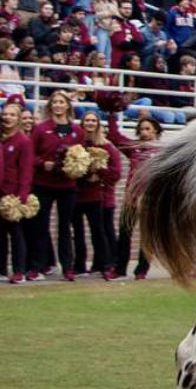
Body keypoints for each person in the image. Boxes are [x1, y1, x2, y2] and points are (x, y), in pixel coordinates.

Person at [30, 89, 84, 280]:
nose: (58, 105)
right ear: (50, 105)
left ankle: (68, 267)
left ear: (68, 105)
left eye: (62, 102)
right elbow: (31, 154)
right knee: (40, 226)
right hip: (43, 184)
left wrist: (75, 167)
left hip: (67, 186)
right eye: (55, 102)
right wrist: (42, 163)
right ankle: (38, 265)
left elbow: (81, 155)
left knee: (65, 227)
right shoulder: (40, 128)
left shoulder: (77, 131)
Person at [107, 111, 162, 278]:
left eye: (148, 128)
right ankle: (119, 269)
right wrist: (112, 115)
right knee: (125, 233)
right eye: (141, 129)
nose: (144, 132)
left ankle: (141, 270)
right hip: (131, 199)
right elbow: (114, 137)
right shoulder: (134, 147)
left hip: (150, 200)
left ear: (155, 131)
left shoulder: (163, 150)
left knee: (146, 237)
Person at [0, 98, 33, 283]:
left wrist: (21, 196)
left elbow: (26, 170)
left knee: (15, 233)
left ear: (19, 119)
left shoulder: (23, 141)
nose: (7, 117)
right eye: (5, 114)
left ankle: (19, 271)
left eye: (12, 115)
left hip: (12, 194)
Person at [72, 111, 121, 279]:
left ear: (98, 124)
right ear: (82, 123)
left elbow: (116, 173)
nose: (90, 123)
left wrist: (99, 171)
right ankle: (79, 265)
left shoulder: (106, 146)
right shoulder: (76, 144)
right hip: (76, 195)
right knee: (77, 232)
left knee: (98, 232)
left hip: (95, 196)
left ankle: (105, 265)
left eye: (93, 120)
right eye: (87, 120)